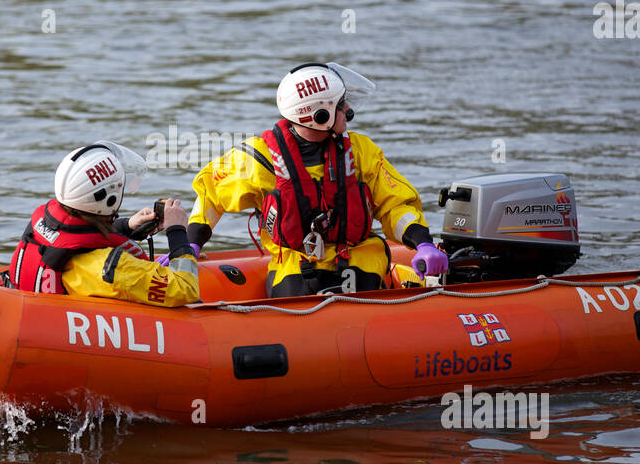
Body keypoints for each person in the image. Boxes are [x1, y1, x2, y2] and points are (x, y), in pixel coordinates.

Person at [186, 62, 448, 296]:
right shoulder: (259, 159)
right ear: (319, 115)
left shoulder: (360, 152)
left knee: (365, 282)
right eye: (341, 104)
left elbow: (396, 205)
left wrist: (422, 243)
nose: (348, 110)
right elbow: (211, 194)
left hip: (361, 259)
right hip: (295, 265)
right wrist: (190, 245)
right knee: (292, 295)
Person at [8, 141, 200, 306]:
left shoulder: (45, 222)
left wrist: (127, 227)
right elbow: (186, 289)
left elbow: (81, 240)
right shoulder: (115, 266)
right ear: (110, 199)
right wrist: (177, 231)